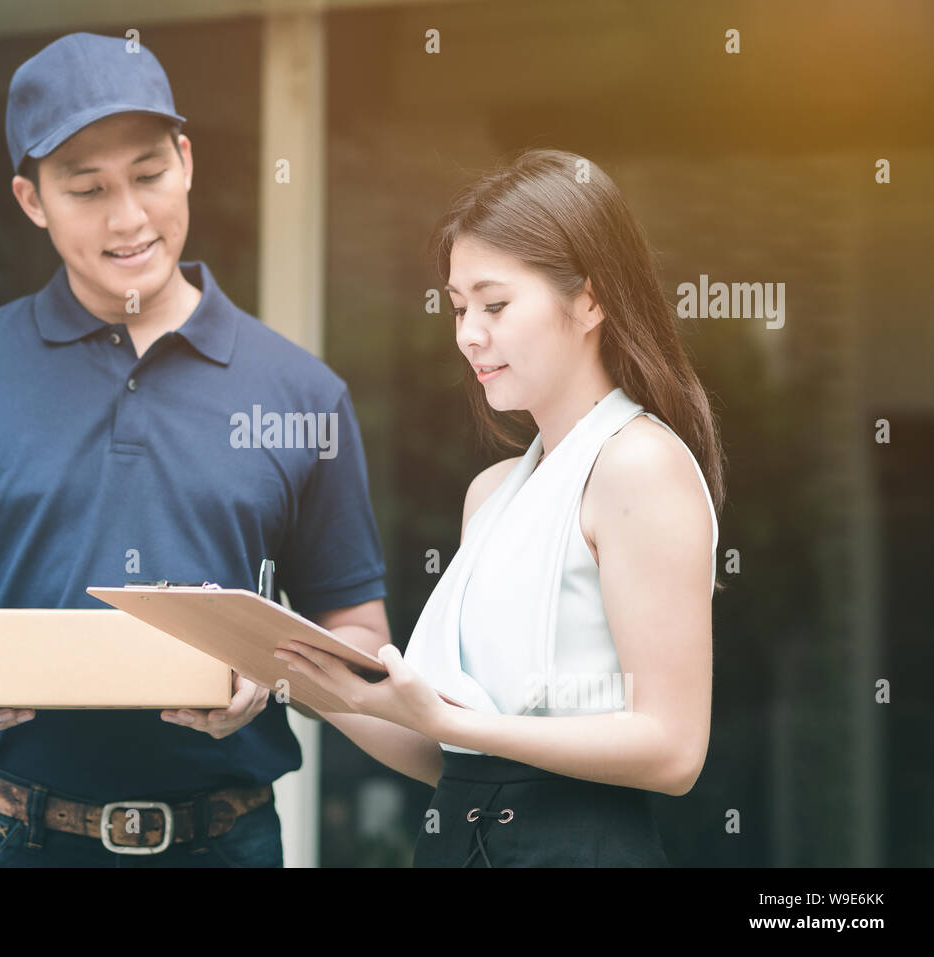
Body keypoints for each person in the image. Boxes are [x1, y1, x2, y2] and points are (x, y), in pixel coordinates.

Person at [0, 32, 390, 867]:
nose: (129, 217)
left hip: (222, 841)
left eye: (148, 174)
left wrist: (274, 671)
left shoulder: (303, 395)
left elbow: (358, 635)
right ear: (31, 200)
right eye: (87, 188)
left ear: (187, 160)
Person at [275, 148, 725, 867]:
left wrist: (467, 725)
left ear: (590, 298)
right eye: (458, 308)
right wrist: (297, 675)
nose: (467, 335)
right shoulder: (491, 492)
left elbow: (673, 749)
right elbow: (450, 755)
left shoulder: (638, 464)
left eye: (494, 304)